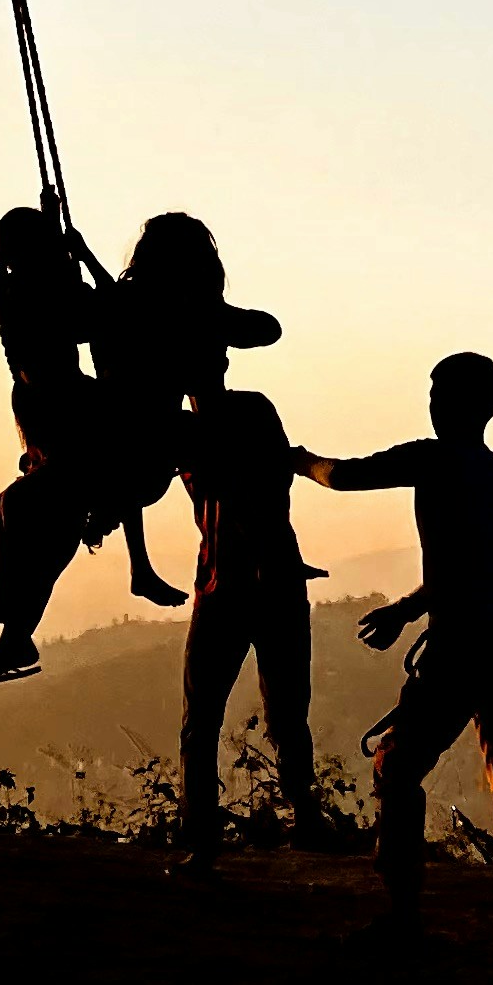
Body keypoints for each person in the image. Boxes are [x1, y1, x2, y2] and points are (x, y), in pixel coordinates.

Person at [0, 205, 276, 697]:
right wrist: (69, 264)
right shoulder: (134, 303)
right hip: (108, 448)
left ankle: (13, 637)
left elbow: (264, 328)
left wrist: (188, 312)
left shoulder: (170, 310)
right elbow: (78, 315)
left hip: (134, 456)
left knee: (26, 513)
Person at [293, 350, 493, 942]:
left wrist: (299, 461)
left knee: (397, 765)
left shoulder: (434, 458)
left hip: (463, 640)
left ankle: (403, 913)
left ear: (463, 404)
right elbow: (471, 564)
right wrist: (408, 609)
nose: (431, 402)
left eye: (439, 392)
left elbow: (346, 475)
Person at [174, 345, 324, 865]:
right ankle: (303, 819)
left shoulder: (187, 427)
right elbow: (270, 483)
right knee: (282, 711)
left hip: (230, 585)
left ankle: (205, 841)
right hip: (267, 581)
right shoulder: (245, 412)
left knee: (208, 719)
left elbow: (255, 488)